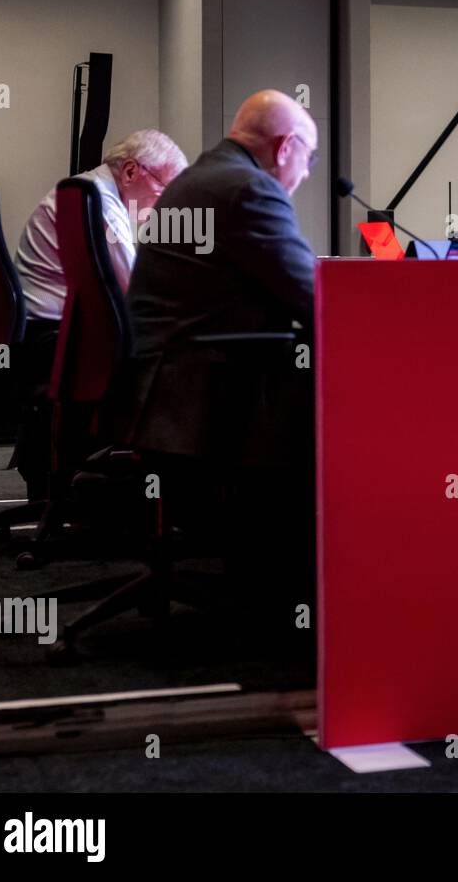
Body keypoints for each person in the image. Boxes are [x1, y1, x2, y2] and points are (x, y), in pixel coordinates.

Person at [124, 89, 320, 610]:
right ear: (285, 148)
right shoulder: (247, 190)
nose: (305, 174)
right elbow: (317, 303)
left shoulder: (199, 178)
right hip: (195, 394)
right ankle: (301, 592)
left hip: (160, 385)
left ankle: (272, 574)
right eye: (309, 158)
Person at [12, 129, 188, 498]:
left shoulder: (85, 191)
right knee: (183, 363)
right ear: (130, 172)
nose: (163, 202)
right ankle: (169, 499)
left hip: (42, 338)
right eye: (164, 189)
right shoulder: (103, 206)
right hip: (55, 342)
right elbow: (132, 297)